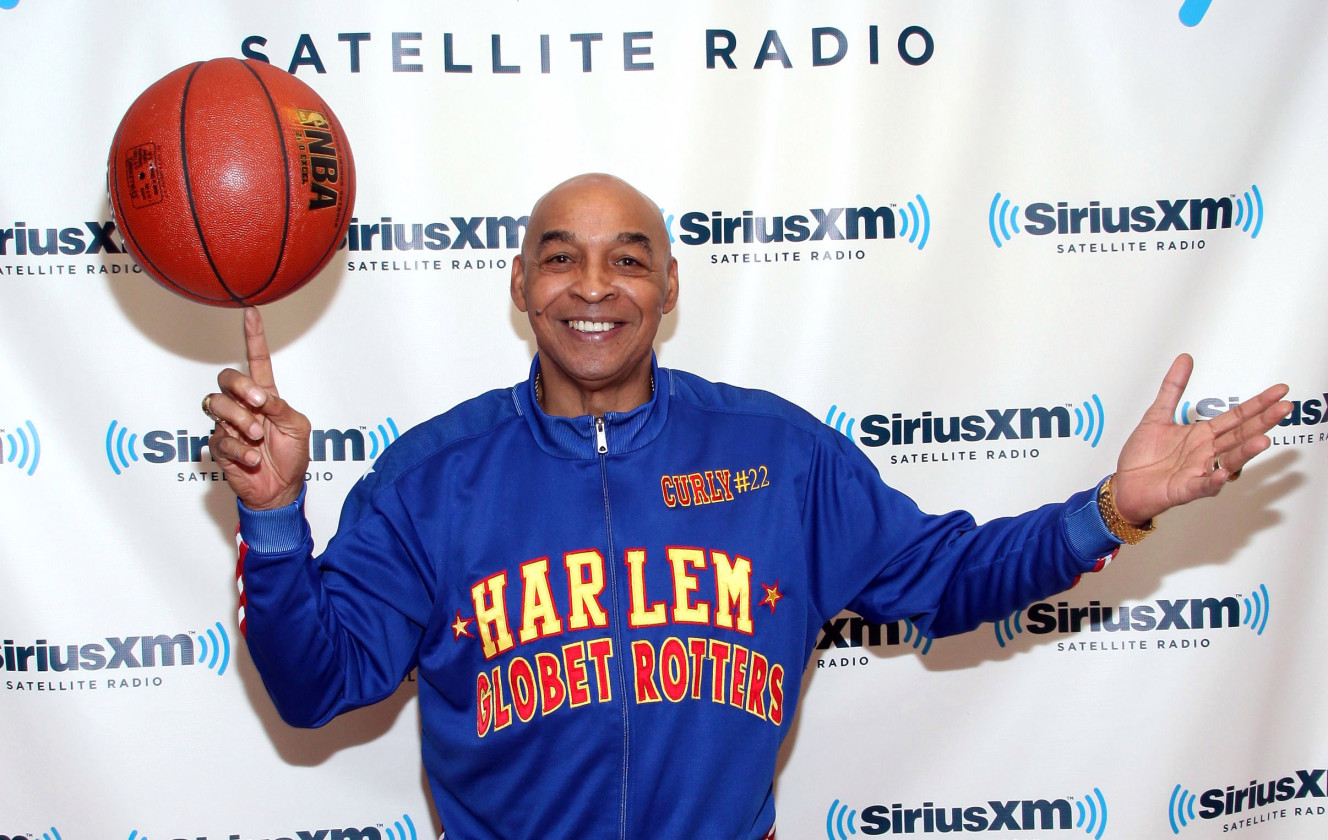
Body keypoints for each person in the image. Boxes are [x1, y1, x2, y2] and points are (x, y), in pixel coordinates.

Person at [203, 173, 1292, 840]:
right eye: (560, 260)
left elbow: (948, 577)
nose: (594, 289)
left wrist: (1108, 507)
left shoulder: (775, 458)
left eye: (628, 261)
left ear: (669, 290)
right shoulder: (431, 478)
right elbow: (313, 690)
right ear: (517, 285)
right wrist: (272, 516)